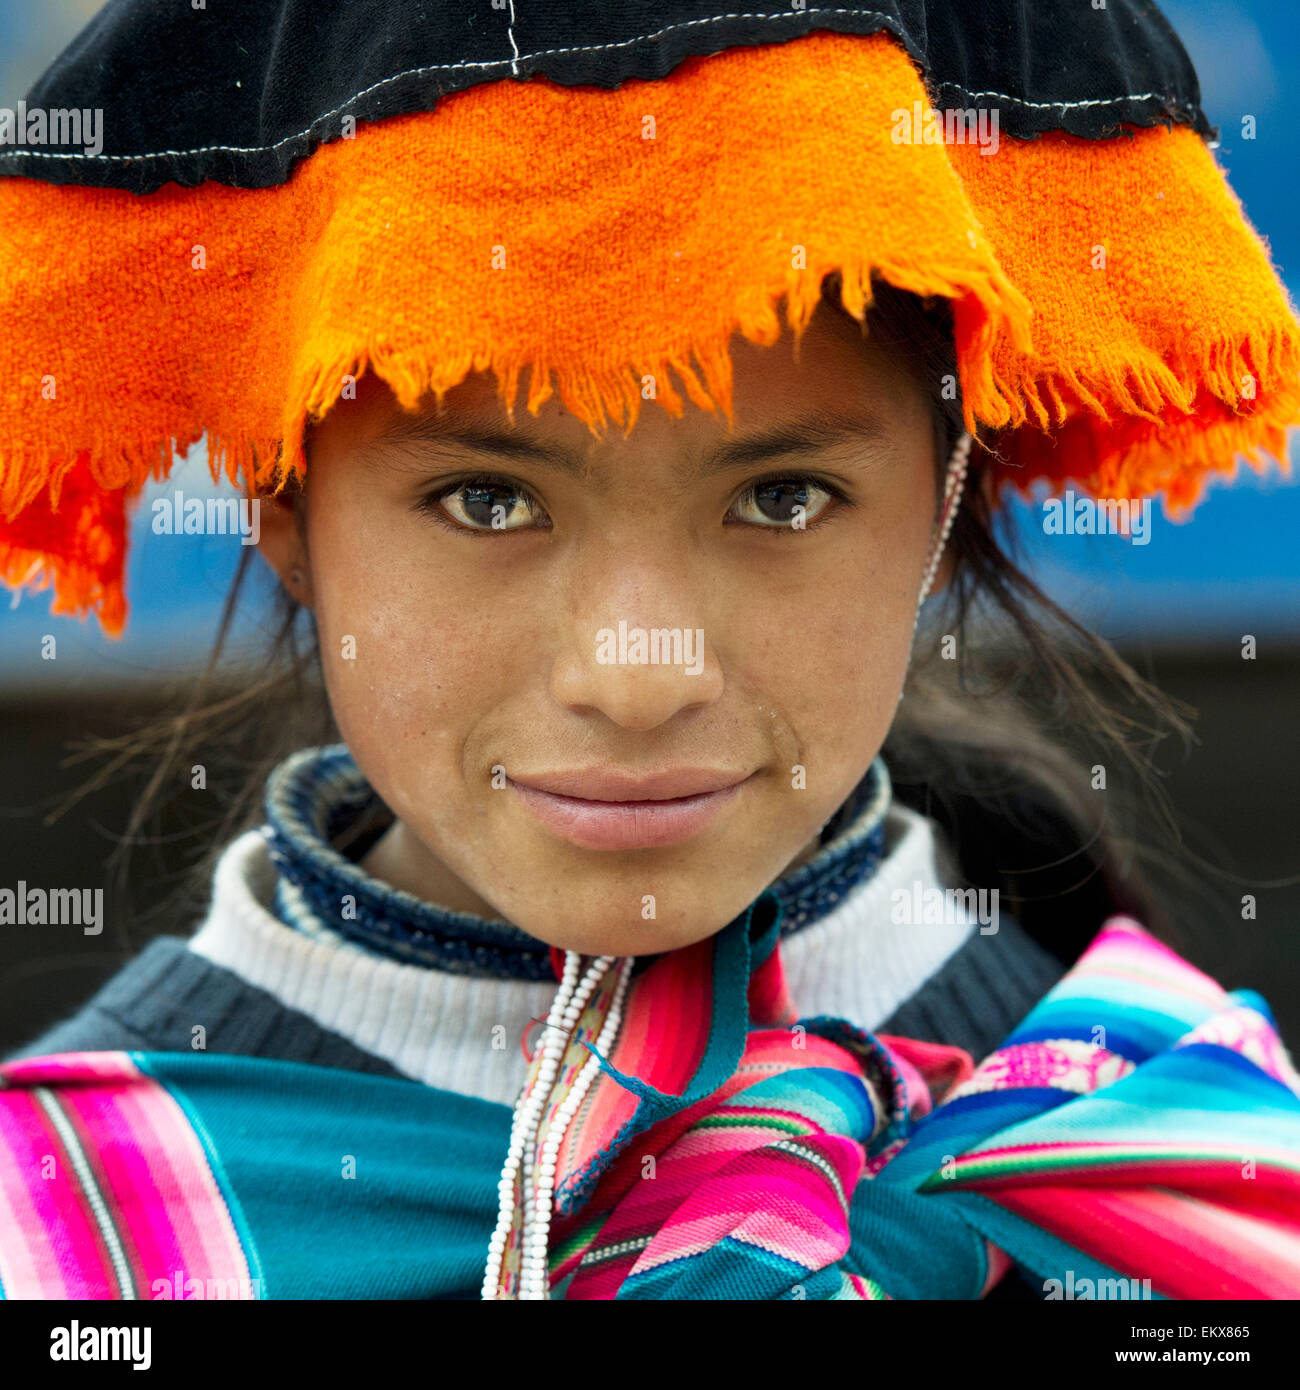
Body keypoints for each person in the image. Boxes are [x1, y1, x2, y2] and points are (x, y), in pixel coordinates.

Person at [0, 0, 1297, 1301]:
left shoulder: (1161, 1152)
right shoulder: (60, 1237)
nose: (634, 676)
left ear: (950, 493)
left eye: (781, 498)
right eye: (488, 499)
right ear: (282, 506)